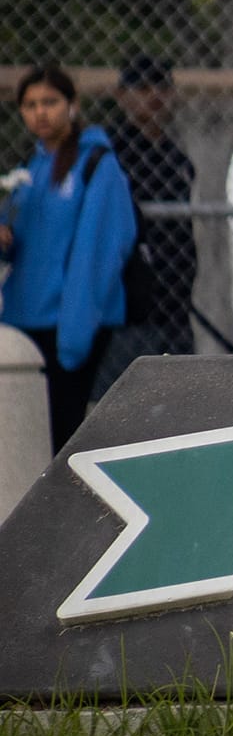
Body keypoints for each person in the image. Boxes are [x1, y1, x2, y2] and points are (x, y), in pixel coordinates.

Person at [1, 65, 139, 451]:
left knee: (62, 440)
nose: (40, 112)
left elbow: (98, 253)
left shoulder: (97, 165)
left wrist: (74, 335)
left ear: (72, 105)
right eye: (29, 105)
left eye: (50, 102)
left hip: (69, 325)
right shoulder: (28, 172)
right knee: (26, 442)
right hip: (24, 322)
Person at [90, 57, 199, 396]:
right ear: (122, 95)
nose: (153, 95)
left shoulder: (176, 158)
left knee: (179, 404)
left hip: (175, 304)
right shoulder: (109, 153)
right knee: (125, 401)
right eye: (142, 87)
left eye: (162, 86)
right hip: (127, 305)